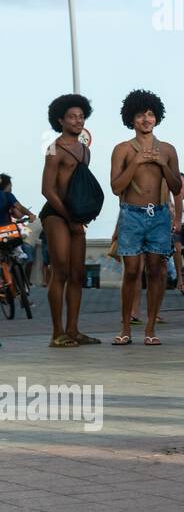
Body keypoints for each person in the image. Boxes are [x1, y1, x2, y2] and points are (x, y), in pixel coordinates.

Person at [109, 90, 182, 346]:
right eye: (140, 114)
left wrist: (162, 164)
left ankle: (150, 328)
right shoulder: (122, 150)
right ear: (132, 119)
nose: (146, 119)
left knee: (156, 270)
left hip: (160, 214)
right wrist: (136, 162)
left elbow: (176, 188)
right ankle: (126, 327)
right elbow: (116, 187)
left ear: (157, 117)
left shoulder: (169, 150)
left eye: (150, 114)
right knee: (131, 271)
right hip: (131, 214)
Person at [41, 94, 100, 347]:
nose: (78, 120)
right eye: (72, 117)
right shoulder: (54, 147)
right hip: (55, 214)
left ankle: (73, 329)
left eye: (81, 116)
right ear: (60, 120)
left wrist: (81, 216)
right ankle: (57, 333)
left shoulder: (85, 150)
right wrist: (69, 217)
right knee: (61, 270)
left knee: (77, 274)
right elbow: (47, 189)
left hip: (75, 217)